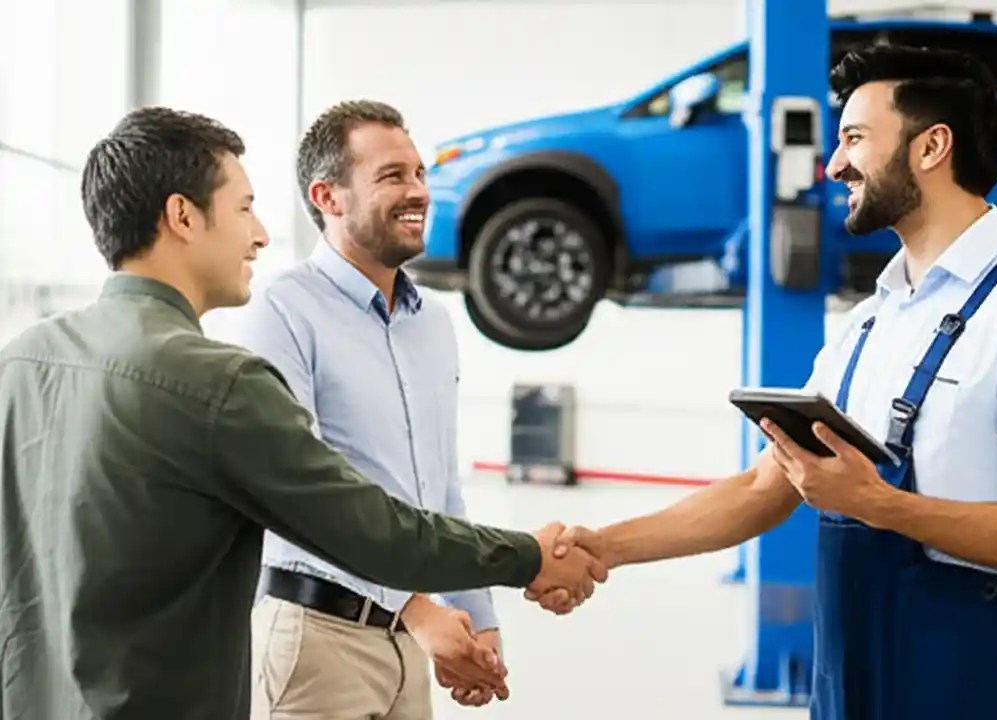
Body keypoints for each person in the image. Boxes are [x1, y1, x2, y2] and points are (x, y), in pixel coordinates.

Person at [530, 44, 997, 719]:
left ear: (932, 147)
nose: (834, 165)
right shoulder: (871, 322)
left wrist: (884, 506)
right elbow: (762, 487)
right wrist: (605, 547)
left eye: (855, 139)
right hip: (847, 669)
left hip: (963, 677)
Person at [0, 106, 605, 720]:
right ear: (183, 216)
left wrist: (476, 609)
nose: (261, 234)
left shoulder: (20, 363)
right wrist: (528, 556)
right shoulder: (219, 380)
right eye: (244, 208)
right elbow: (370, 529)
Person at [230, 100, 503, 719]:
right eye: (392, 177)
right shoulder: (282, 310)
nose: (417, 192)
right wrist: (421, 608)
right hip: (316, 642)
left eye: (419, 174)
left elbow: (439, 492)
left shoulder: (432, 323)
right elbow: (299, 491)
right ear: (329, 196)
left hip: (409, 643)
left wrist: (477, 618)